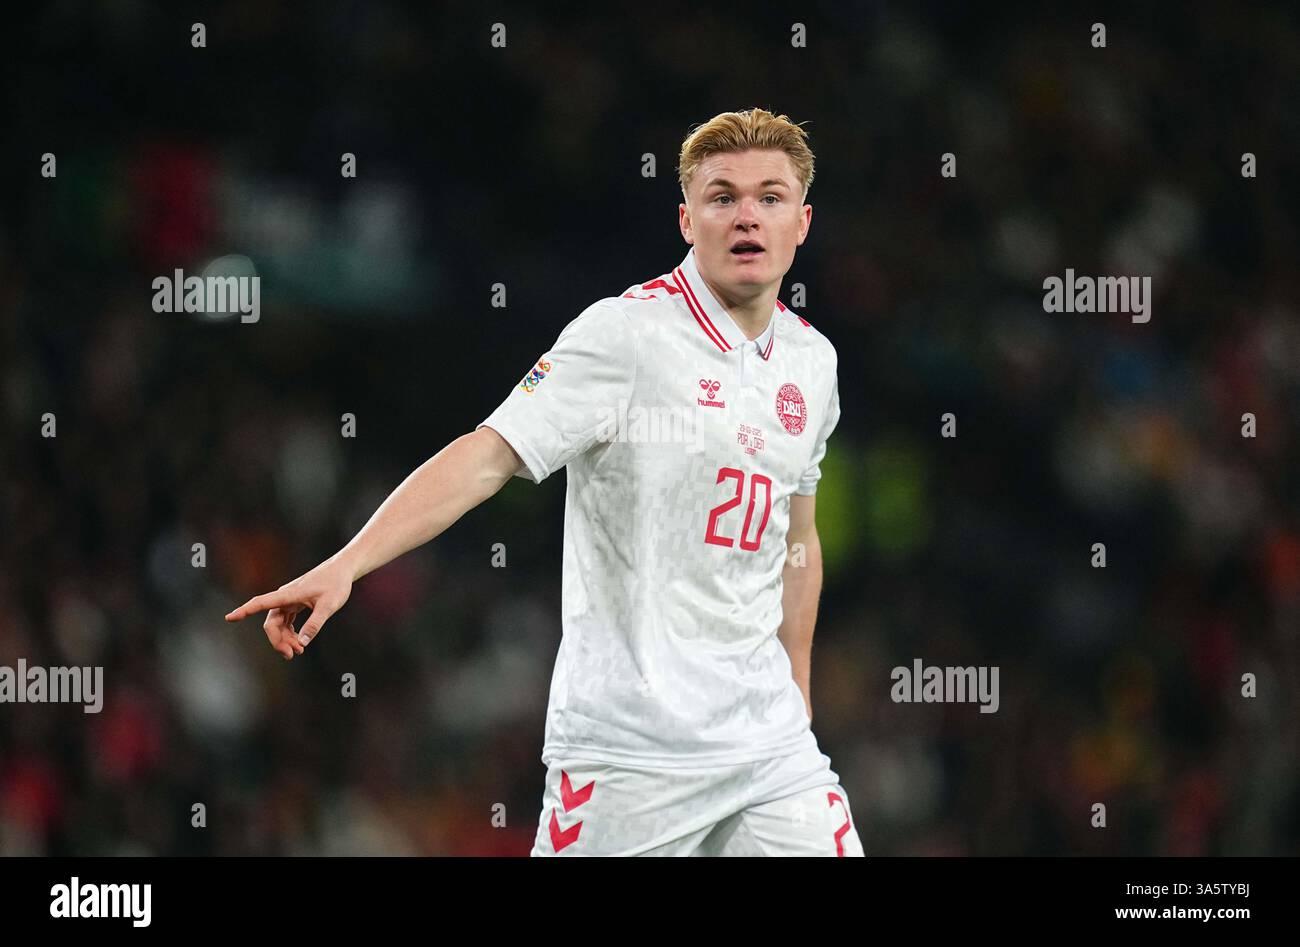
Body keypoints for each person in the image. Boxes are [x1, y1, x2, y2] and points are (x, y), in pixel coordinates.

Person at [225, 107, 863, 856]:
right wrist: (348, 563)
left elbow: (797, 535)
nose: (746, 216)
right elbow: (487, 455)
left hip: (769, 750)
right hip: (630, 753)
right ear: (687, 219)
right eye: (722, 197)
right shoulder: (625, 336)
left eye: (770, 197)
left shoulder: (812, 363)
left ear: (804, 221)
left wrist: (797, 699)